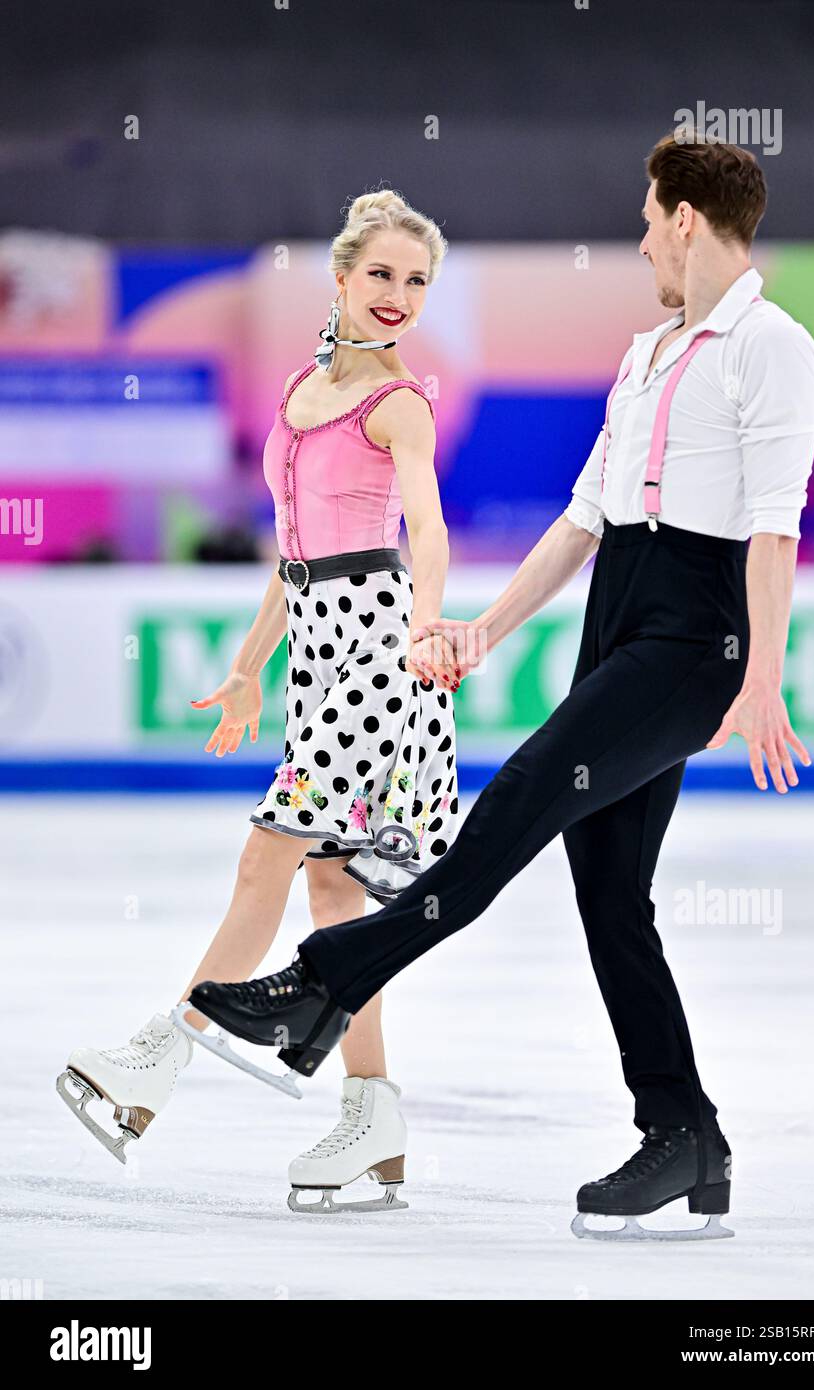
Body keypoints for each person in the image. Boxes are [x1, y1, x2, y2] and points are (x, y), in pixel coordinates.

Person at [189, 131, 814, 1239]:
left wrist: (759, 677)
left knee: (516, 807)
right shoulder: (647, 354)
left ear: (683, 217)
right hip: (616, 608)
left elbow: (771, 530)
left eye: (643, 221)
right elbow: (582, 520)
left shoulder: (772, 347)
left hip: (692, 632)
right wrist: (484, 628)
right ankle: (684, 1136)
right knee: (607, 887)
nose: (638, 243)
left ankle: (319, 979)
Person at [57, 190, 462, 1213]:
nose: (397, 297)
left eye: (416, 282)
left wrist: (426, 624)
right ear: (339, 276)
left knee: (266, 855)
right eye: (381, 275)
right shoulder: (295, 394)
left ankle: (157, 1057)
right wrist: (247, 667)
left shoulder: (400, 404)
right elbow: (292, 560)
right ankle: (372, 1116)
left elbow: (425, 526)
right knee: (333, 894)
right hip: (314, 648)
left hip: (376, 648)